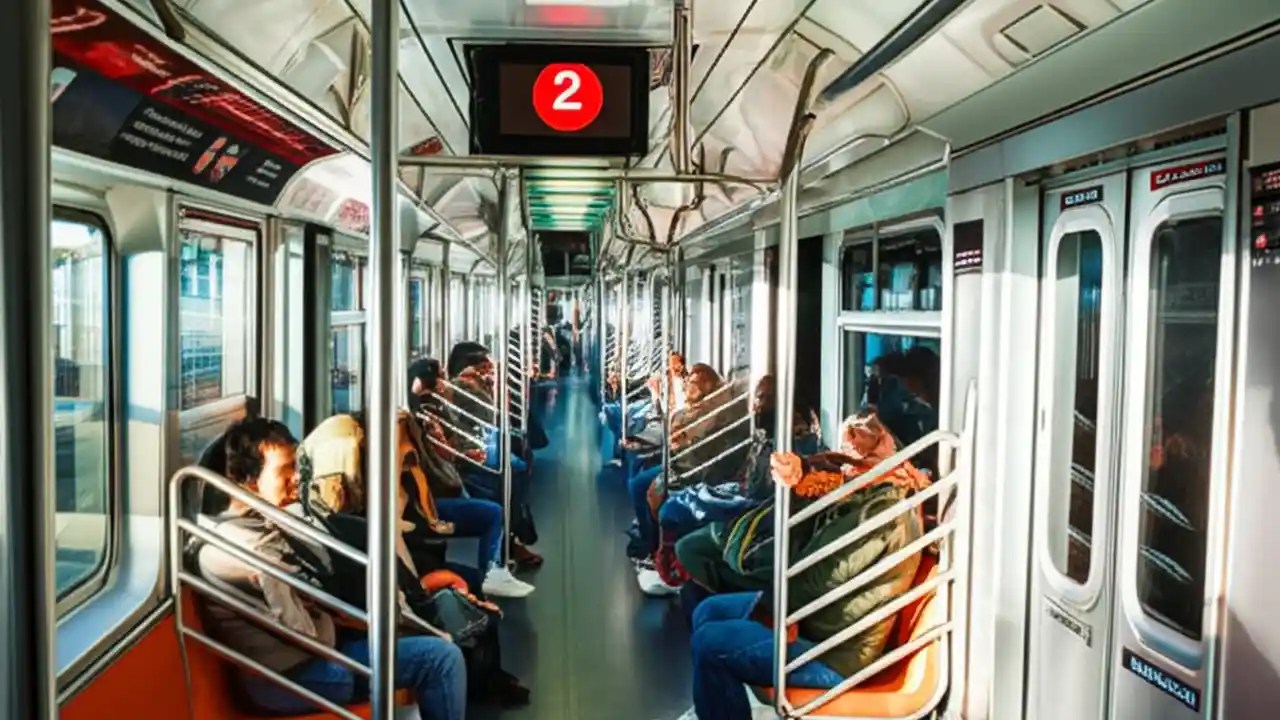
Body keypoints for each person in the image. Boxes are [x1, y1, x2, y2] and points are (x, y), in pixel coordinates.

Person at [196, 417, 466, 719]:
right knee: (441, 658)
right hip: (292, 677)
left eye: (296, 468)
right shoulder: (246, 548)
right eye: (285, 470)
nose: (297, 478)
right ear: (248, 480)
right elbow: (305, 631)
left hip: (302, 659)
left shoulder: (259, 523)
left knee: (422, 638)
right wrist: (333, 622)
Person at [676, 411, 928, 720]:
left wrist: (771, 612)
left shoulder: (882, 514)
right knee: (708, 611)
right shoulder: (867, 493)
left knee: (710, 643)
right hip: (822, 623)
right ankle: (716, 704)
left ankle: (716, 702)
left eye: (857, 450)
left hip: (835, 652)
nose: (847, 458)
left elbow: (821, 579)